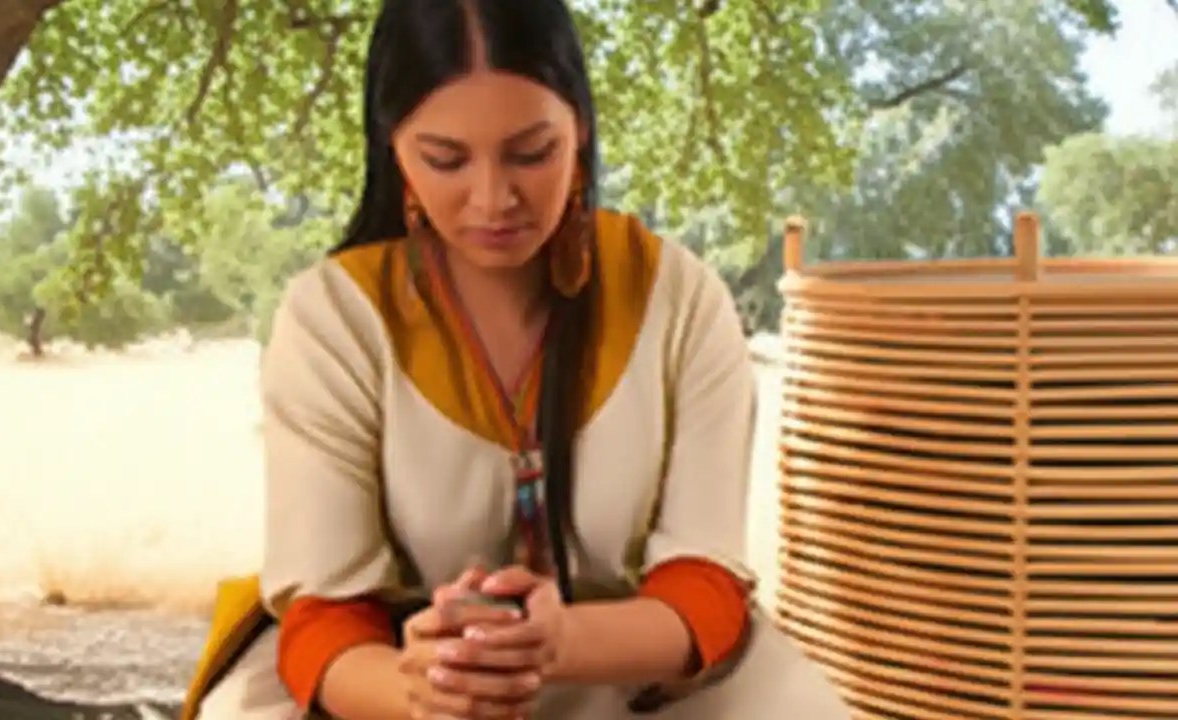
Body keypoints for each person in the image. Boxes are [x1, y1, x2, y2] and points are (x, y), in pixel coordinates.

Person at [182, 1, 851, 718]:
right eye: (446, 159)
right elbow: (325, 617)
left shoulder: (678, 297)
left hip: (627, 662)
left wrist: (557, 642)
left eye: (532, 153)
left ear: (581, 130)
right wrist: (428, 691)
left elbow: (706, 586)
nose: (493, 199)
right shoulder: (334, 317)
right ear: (393, 148)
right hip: (394, 675)